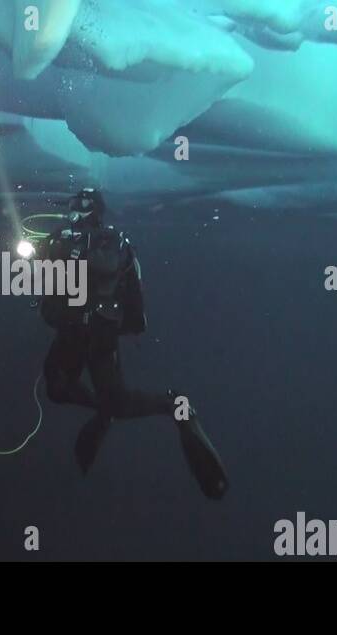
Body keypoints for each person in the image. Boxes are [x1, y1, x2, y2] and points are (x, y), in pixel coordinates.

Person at [36, 188, 228, 499]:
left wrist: (73, 253)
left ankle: (174, 405)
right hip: (71, 329)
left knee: (118, 403)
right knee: (57, 388)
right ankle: (104, 409)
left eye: (84, 205)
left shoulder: (111, 240)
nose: (77, 211)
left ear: (97, 210)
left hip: (99, 333)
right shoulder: (63, 239)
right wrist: (47, 253)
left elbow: (108, 264)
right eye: (74, 204)